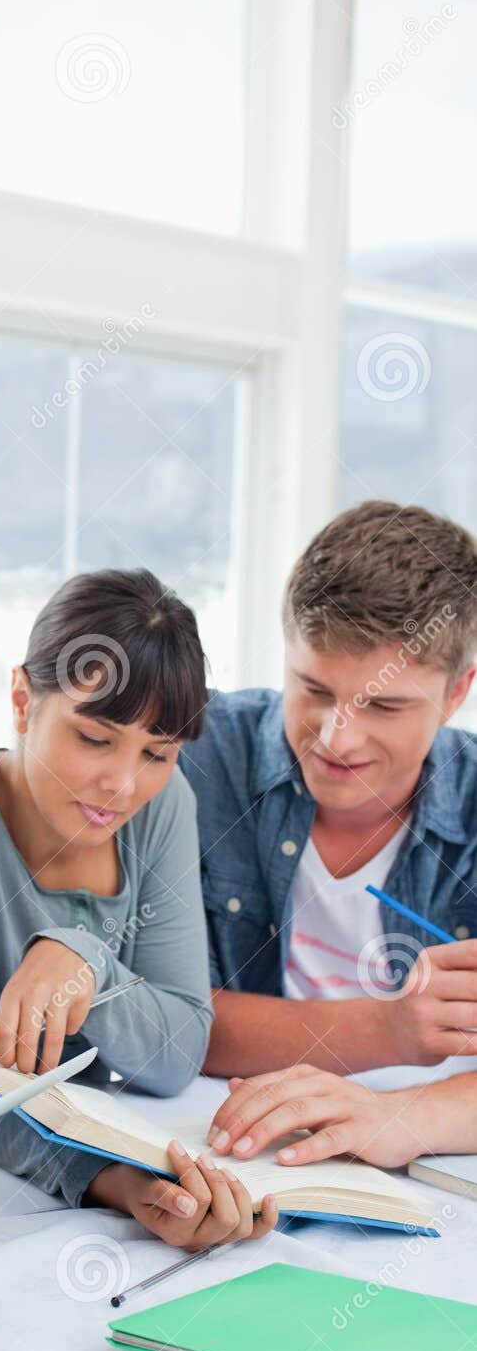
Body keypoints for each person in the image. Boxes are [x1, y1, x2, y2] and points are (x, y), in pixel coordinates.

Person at [0, 568, 278, 1252]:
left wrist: (87, 963)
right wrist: (122, 1186)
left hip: (90, 1141)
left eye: (157, 753)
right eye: (93, 738)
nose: (122, 784)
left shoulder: (162, 805)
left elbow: (177, 1055)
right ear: (22, 700)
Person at [180, 499, 477, 1171]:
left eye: (384, 705)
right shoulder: (192, 752)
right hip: (214, 1150)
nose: (337, 739)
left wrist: (400, 1117)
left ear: (457, 693)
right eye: (313, 690)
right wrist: (389, 1028)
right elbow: (155, 1018)